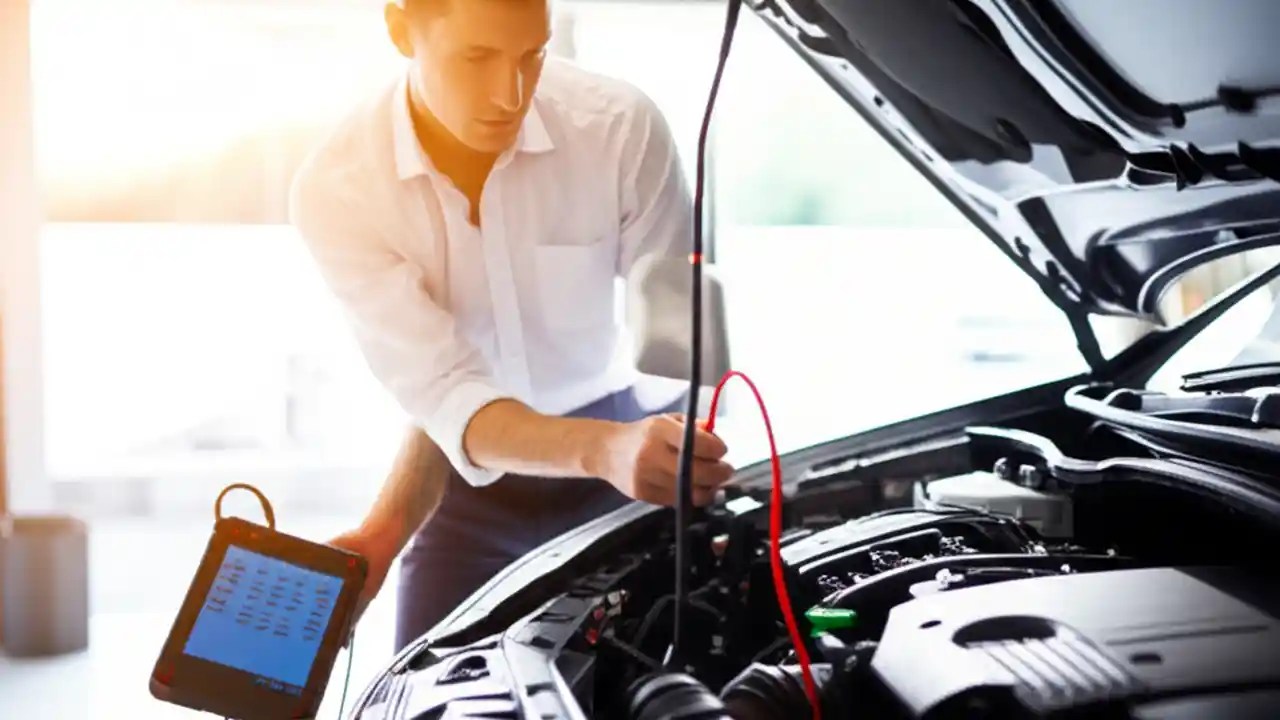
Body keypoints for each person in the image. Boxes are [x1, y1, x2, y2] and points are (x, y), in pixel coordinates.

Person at [288, 0, 734, 652]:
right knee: (422, 683)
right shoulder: (339, 190)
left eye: (532, 56)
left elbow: (677, 345)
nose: (511, 94)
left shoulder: (619, 128)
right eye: (477, 58)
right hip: (466, 489)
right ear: (400, 29)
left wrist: (685, 460)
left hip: (626, 462)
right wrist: (383, 534)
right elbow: (446, 393)